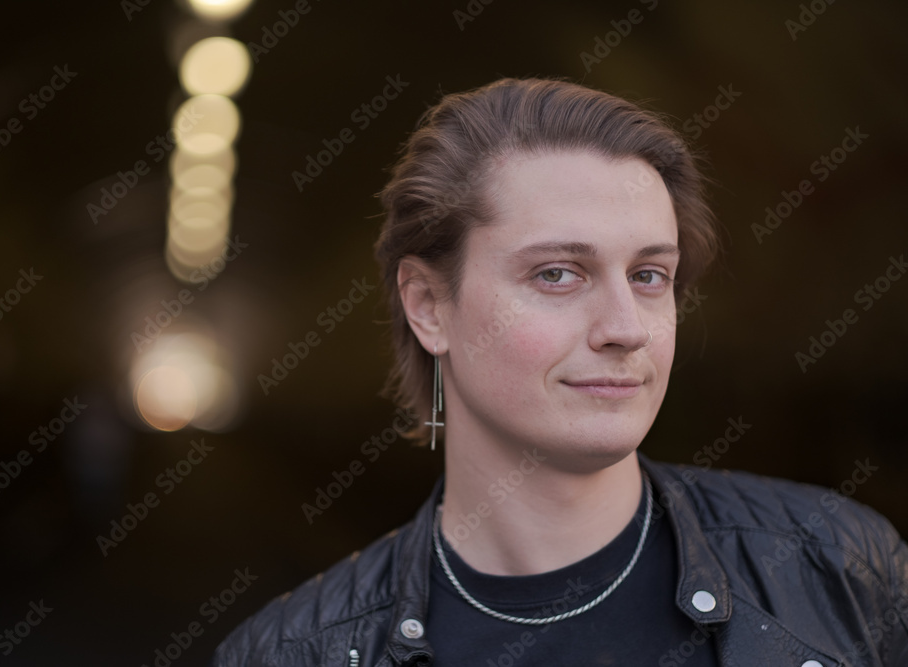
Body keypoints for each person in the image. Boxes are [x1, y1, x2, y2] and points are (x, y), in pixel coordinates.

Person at [210, 77, 908, 666]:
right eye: (556, 273)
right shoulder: (289, 653)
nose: (626, 328)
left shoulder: (842, 565)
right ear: (427, 305)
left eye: (648, 275)